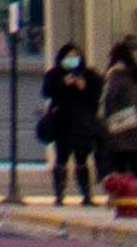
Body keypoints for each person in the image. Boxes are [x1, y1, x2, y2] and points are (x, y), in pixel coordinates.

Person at [38, 39, 99, 207]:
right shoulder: (55, 74)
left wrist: (83, 86)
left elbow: (96, 94)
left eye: (75, 58)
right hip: (62, 123)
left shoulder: (88, 74)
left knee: (82, 159)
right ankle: (59, 194)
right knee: (61, 159)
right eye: (68, 58)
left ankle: (86, 194)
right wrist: (62, 84)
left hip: (82, 123)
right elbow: (46, 92)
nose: (72, 62)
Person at [97, 31, 137, 214]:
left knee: (118, 163)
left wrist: (105, 120)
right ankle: (136, 195)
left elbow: (110, 100)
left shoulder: (115, 76)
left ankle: (121, 199)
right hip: (136, 126)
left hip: (119, 127)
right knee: (134, 162)